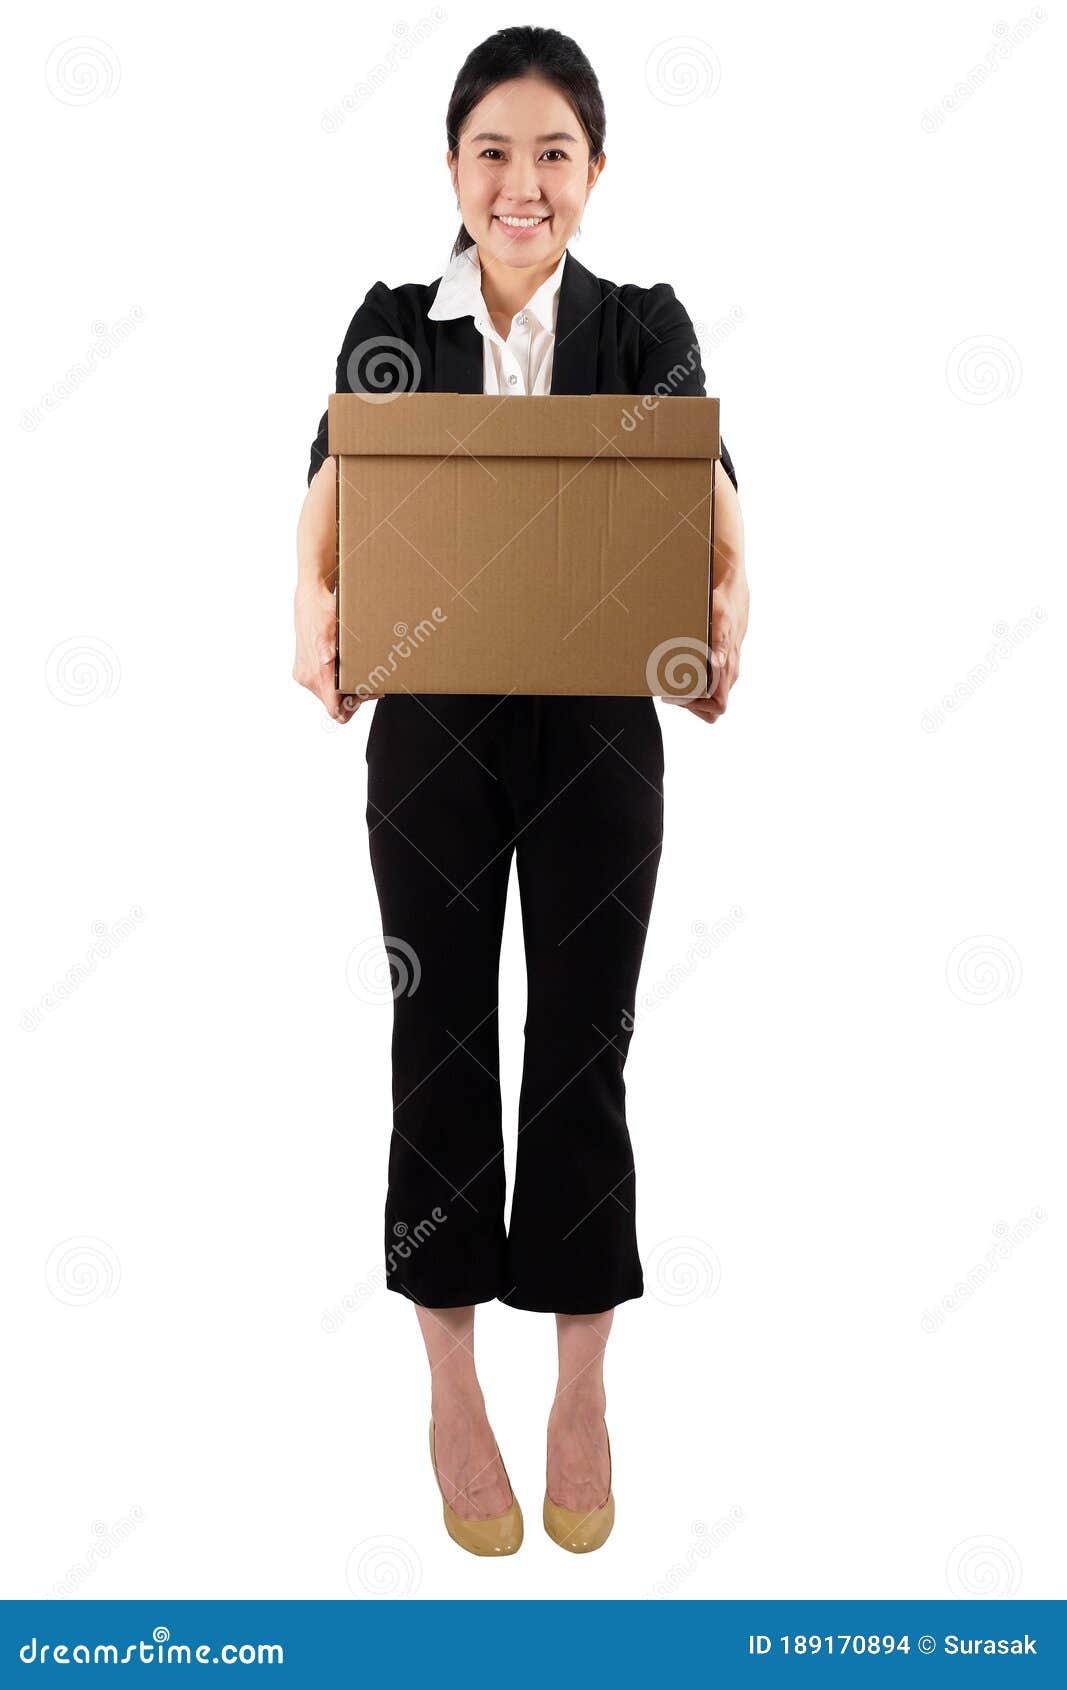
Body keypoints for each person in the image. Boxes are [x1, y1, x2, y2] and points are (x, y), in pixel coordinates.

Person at [294, 26, 749, 1556]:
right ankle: (448, 1380)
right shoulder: (389, 321)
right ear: (452, 169)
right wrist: (313, 610)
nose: (522, 180)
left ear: (596, 173)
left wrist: (729, 610)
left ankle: (579, 1381)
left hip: (600, 729)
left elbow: (716, 496)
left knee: (583, 1031)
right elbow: (328, 494)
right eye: (493, 148)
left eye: (554, 150)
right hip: (431, 720)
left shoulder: (643, 324)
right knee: (441, 1022)